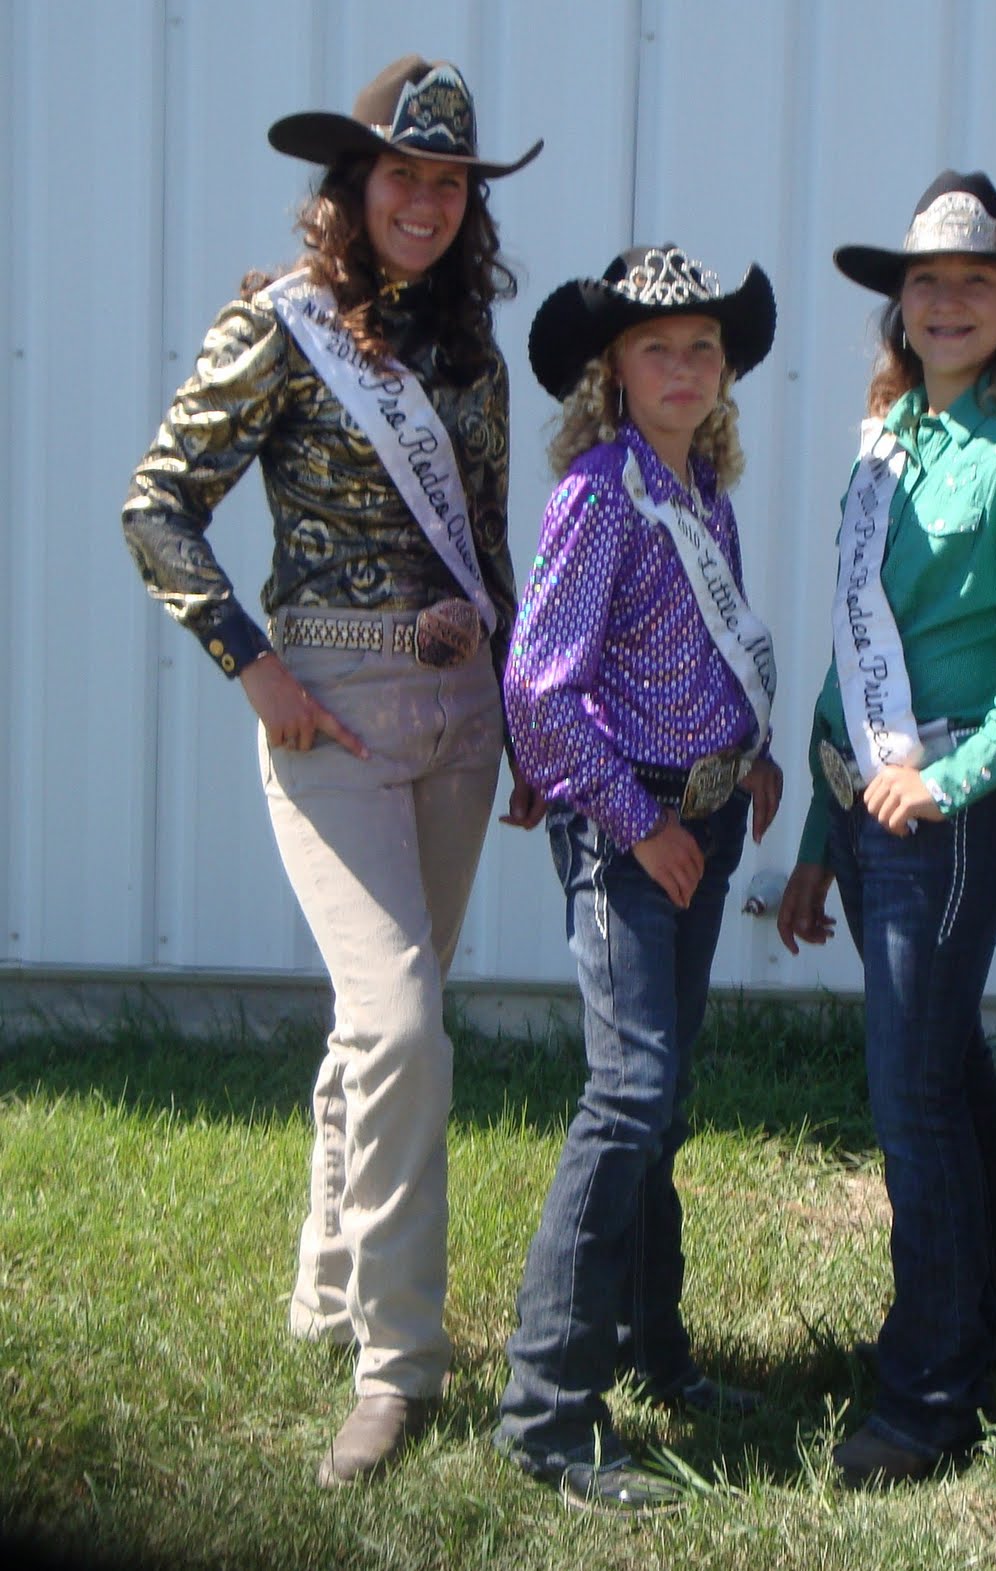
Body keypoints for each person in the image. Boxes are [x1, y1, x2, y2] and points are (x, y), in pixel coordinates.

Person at [121, 57, 542, 1487]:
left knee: (384, 1020)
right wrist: (254, 661)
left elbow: (488, 546)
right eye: (402, 175)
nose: (424, 201)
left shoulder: (474, 355)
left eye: (448, 183)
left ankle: (323, 1278)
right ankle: (396, 1360)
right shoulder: (281, 329)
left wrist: (522, 700)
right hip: (328, 714)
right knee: (406, 1016)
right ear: (354, 187)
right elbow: (158, 505)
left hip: (459, 716)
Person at [776, 172, 996, 1486]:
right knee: (946, 1074)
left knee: (910, 1090)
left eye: (976, 280)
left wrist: (960, 778)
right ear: (899, 304)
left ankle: (925, 1396)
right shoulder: (891, 442)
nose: (948, 299)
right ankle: (994, 1326)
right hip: (872, 813)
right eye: (926, 280)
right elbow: (855, 655)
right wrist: (819, 830)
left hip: (952, 818)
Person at [494, 244, 782, 1513]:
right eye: (658, 345)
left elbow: (693, 647)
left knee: (659, 1099)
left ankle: (649, 1348)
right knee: (630, 1089)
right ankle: (546, 1410)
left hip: (702, 821)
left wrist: (750, 756)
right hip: (628, 833)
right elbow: (538, 692)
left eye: (703, 347)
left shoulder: (701, 483)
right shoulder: (598, 497)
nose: (683, 364)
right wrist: (634, 818)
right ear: (613, 367)